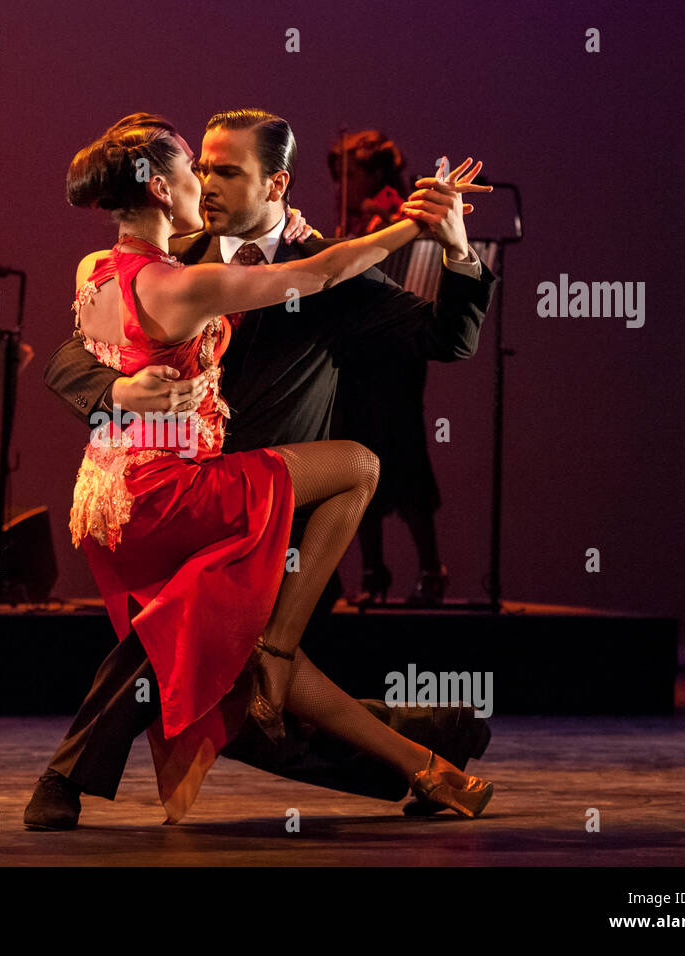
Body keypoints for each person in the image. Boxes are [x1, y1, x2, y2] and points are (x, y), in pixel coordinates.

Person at [27, 109, 498, 830]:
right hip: (186, 491)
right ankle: (422, 745)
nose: (208, 184)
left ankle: (423, 746)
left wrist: (457, 251)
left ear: (276, 181)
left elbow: (450, 339)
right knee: (212, 676)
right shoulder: (174, 253)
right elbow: (72, 357)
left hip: (274, 512)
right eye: (202, 167)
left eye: (226, 171)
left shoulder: (337, 269)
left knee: (218, 683)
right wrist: (117, 393)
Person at [328, 130, 450, 605]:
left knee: (404, 453)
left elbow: (412, 281)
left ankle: (430, 568)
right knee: (357, 457)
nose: (343, 188)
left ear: (379, 175)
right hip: (356, 357)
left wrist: (386, 225)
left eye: (352, 176)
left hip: (395, 356)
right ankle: (373, 571)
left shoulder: (404, 216)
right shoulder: (356, 223)